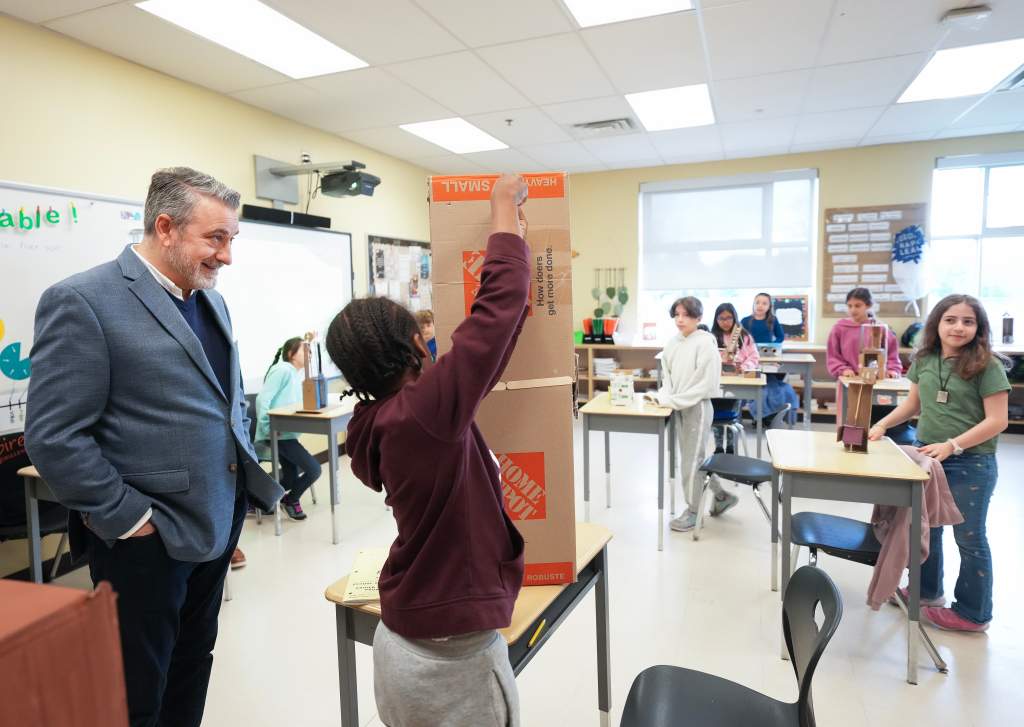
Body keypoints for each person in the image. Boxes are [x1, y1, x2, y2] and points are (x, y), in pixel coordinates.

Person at [25, 167, 284, 727]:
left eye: (232, 239)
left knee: (192, 664)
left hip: (215, 523)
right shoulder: (82, 301)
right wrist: (131, 518)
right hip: (145, 540)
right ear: (165, 228)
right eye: (215, 238)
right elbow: (53, 436)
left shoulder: (210, 301)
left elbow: (221, 399)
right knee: (135, 691)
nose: (227, 256)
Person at [324, 174, 529, 726]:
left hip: (404, 643)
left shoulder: (376, 420)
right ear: (417, 343)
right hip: (453, 660)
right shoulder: (426, 413)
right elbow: (500, 307)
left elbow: (498, 339)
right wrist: (504, 206)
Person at [869, 294, 1009, 632]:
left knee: (969, 538)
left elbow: (998, 420)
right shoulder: (924, 358)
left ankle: (974, 614)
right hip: (925, 456)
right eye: (951, 320)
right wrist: (883, 424)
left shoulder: (987, 364)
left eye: (968, 321)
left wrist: (953, 445)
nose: (959, 327)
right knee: (926, 528)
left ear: (979, 328)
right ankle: (926, 592)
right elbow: (914, 404)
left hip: (970, 463)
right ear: (937, 323)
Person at [652, 296, 738, 532]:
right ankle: (722, 496)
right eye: (677, 314)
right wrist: (667, 397)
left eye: (686, 315)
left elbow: (706, 384)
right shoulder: (673, 343)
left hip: (697, 408)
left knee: (691, 461)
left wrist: (674, 400)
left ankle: (693, 511)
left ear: (698, 318)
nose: (680, 320)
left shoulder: (705, 343)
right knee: (693, 460)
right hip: (678, 406)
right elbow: (667, 376)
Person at [827, 287, 912, 443]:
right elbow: (833, 356)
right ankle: (851, 447)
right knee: (852, 420)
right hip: (851, 383)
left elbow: (892, 355)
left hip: (877, 383)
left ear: (868, 306)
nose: (853, 310)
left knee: (876, 422)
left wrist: (892, 370)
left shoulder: (880, 329)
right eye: (850, 305)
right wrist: (843, 369)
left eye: (858, 305)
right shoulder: (839, 328)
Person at [255, 337, 322, 520]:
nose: (308, 355)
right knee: (314, 469)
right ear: (291, 354)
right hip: (277, 433)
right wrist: (268, 427)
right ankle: (291, 500)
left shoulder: (294, 374)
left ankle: (259, 500)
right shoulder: (283, 370)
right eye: (304, 351)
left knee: (290, 478)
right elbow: (263, 399)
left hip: (286, 434)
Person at [741, 293, 800, 427]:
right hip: (750, 359)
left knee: (770, 385)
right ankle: (759, 416)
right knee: (756, 385)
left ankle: (767, 416)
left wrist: (773, 347)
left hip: (767, 358)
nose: (760, 306)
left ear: (769, 306)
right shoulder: (745, 321)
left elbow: (780, 337)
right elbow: (740, 339)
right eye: (757, 302)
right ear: (753, 304)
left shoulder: (772, 320)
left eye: (764, 303)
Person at [709, 303, 758, 454]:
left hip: (736, 381)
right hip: (718, 383)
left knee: (732, 416)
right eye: (721, 318)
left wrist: (744, 366)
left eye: (729, 317)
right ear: (716, 319)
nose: (725, 321)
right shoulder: (711, 337)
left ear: (734, 317)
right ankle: (718, 446)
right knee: (716, 415)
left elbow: (754, 356)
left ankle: (730, 446)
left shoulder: (744, 336)